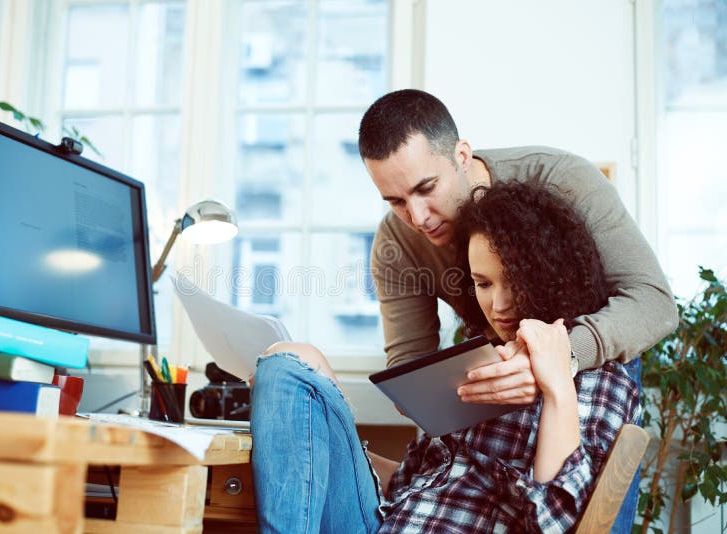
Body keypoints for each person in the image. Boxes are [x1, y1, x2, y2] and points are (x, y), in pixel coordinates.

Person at [359, 89, 675, 530]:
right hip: (497, 357)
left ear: (462, 155)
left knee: (586, 517)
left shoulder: (564, 180)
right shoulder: (396, 242)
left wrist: (556, 364)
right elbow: (411, 366)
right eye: (394, 201)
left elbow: (654, 303)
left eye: (426, 188)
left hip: (591, 359)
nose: (417, 217)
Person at [251, 180, 640, 533]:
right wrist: (322, 437)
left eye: (515, 281)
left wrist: (557, 386)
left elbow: (555, 522)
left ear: (549, 274)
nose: (498, 304)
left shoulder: (600, 379)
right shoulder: (472, 359)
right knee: (289, 364)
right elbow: (407, 482)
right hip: (388, 524)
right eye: (483, 283)